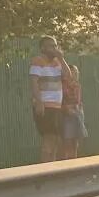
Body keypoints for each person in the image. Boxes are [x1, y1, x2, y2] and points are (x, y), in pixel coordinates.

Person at [29, 35, 65, 163]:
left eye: (56, 46)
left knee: (55, 139)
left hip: (56, 106)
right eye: (51, 46)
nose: (54, 49)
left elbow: (68, 76)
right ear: (43, 48)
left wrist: (61, 58)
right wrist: (39, 102)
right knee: (48, 139)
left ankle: (52, 167)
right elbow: (34, 82)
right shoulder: (38, 61)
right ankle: (45, 168)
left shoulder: (57, 62)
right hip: (45, 105)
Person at [60, 62, 88, 159]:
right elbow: (61, 100)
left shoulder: (77, 85)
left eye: (76, 73)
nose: (74, 75)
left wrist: (78, 109)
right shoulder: (62, 85)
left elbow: (78, 100)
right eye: (72, 72)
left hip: (77, 113)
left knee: (75, 141)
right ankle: (65, 162)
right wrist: (66, 108)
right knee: (67, 140)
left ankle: (74, 161)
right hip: (66, 114)